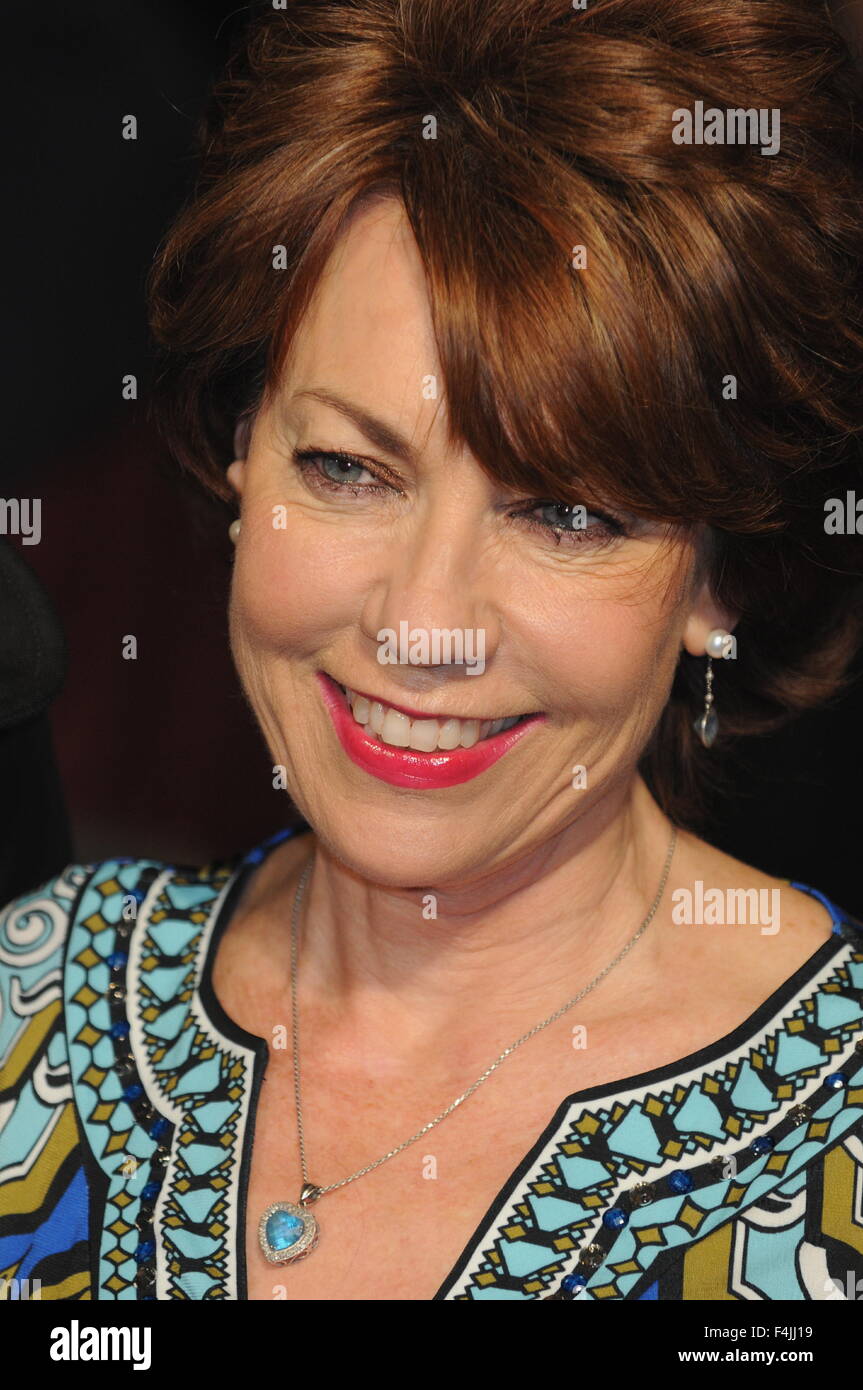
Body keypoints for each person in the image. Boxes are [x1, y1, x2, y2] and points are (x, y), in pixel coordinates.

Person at [2, 0, 863, 1303]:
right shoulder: (30, 999)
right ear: (241, 454)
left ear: (723, 575)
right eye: (348, 468)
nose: (424, 620)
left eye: (566, 513)